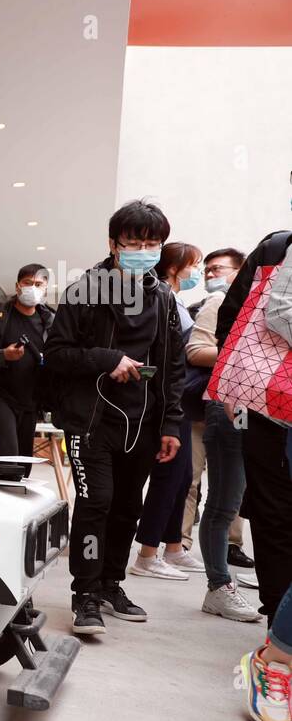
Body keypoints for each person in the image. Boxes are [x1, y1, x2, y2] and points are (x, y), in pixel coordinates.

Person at [46, 200, 186, 636]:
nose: (144, 251)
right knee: (96, 502)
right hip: (92, 420)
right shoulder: (84, 291)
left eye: (152, 244)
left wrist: (170, 424)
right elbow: (55, 356)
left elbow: (173, 368)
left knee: (128, 507)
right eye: (134, 243)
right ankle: (84, 593)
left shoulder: (162, 297)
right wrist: (107, 358)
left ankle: (111, 583)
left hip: (142, 422)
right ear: (113, 244)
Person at [221, 231, 292, 721]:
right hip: (272, 411)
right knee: (272, 517)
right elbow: (268, 315)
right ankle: (279, 648)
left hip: (267, 408)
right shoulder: (280, 249)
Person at [184, 247, 261, 621]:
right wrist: (245, 355)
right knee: (224, 500)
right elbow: (197, 350)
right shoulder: (222, 302)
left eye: (220, 268)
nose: (213, 274)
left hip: (271, 412)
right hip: (231, 404)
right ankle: (218, 585)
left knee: (258, 502)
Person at [130, 243, 203, 579]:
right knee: (169, 474)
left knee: (183, 476)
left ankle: (173, 546)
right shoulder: (164, 298)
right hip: (169, 397)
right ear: (175, 267)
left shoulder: (177, 299)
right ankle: (147, 552)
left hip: (180, 398)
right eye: (194, 266)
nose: (196, 273)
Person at [0, 264, 54, 457]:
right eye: (27, 283)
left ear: (45, 289)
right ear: (17, 286)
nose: (32, 288)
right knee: (7, 460)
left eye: (38, 284)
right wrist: (2, 355)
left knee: (23, 465)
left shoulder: (50, 323)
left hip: (31, 404)